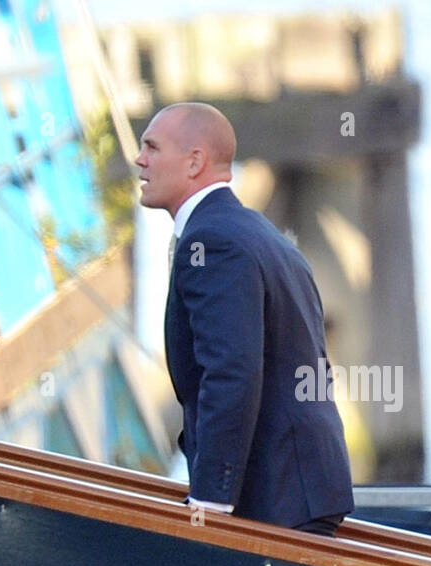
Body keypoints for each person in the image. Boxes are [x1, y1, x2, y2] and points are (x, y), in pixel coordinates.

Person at [135, 102, 354, 535]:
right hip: (298, 490)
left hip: (276, 501)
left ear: (195, 161)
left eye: (152, 147)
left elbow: (232, 371)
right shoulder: (259, 232)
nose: (140, 159)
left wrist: (209, 502)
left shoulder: (214, 240)